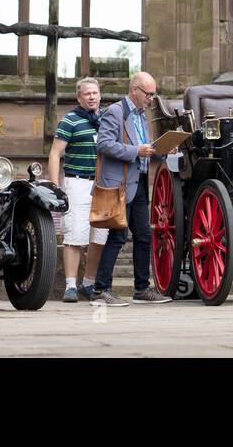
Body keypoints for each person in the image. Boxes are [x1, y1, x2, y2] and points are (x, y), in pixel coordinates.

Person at [90, 71, 172, 305]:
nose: (151, 99)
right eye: (149, 94)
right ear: (134, 90)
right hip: (119, 185)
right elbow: (104, 144)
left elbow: (145, 148)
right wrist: (136, 151)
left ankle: (141, 289)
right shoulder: (116, 111)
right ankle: (100, 290)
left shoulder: (141, 115)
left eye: (154, 95)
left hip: (138, 184)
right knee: (117, 236)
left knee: (144, 236)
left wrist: (163, 150)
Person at [48, 77, 108, 303]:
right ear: (78, 97)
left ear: (100, 95)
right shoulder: (70, 121)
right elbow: (55, 154)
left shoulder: (107, 119)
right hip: (77, 182)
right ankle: (71, 286)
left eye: (95, 93)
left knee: (99, 236)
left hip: (103, 184)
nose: (91, 97)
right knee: (74, 234)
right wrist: (55, 187)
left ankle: (89, 283)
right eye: (87, 94)